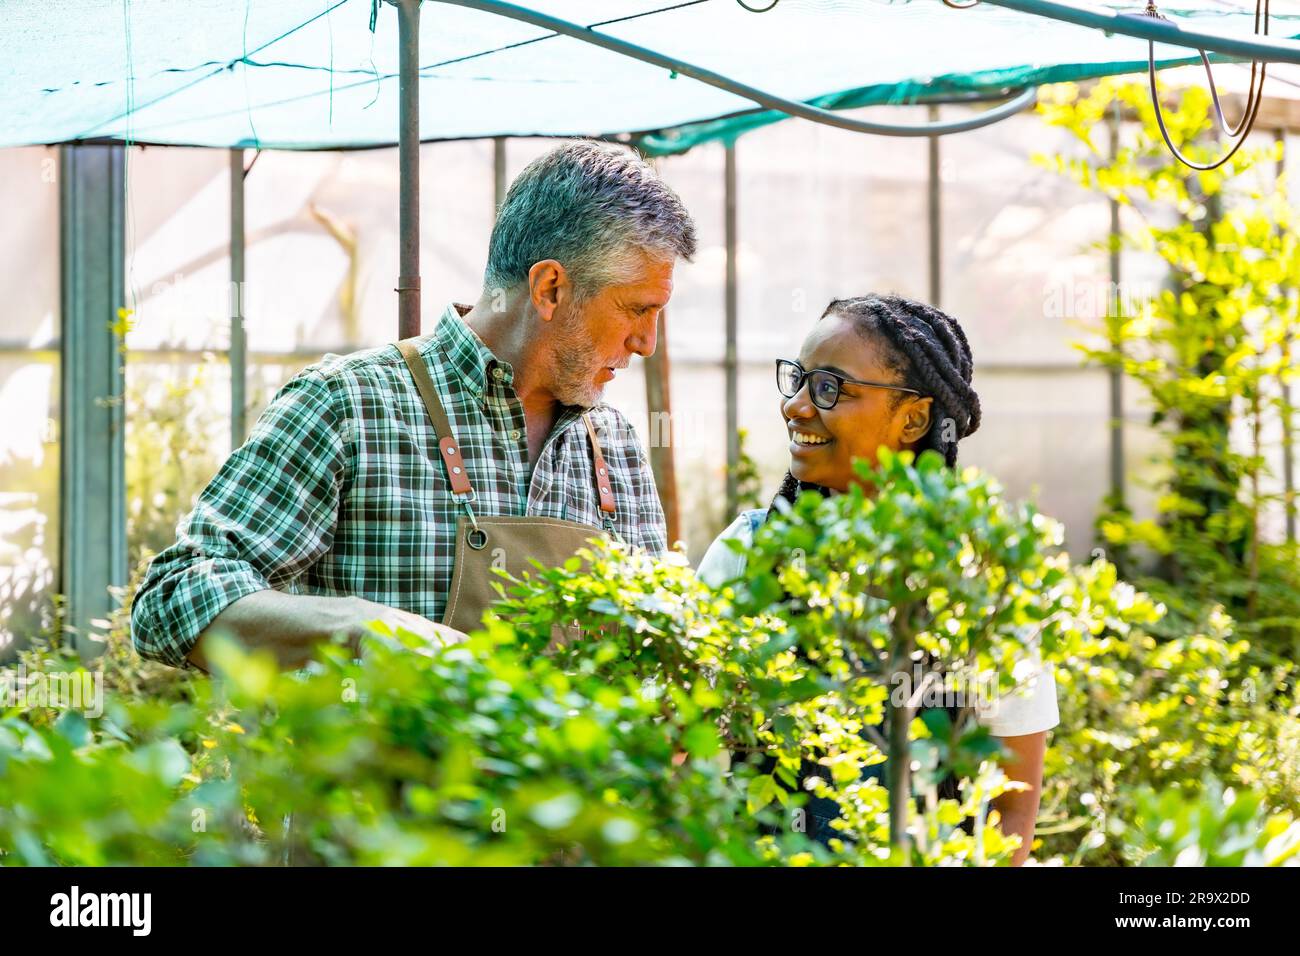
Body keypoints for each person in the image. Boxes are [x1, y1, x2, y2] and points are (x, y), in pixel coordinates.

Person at [132, 140, 696, 672]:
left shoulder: (614, 445)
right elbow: (171, 598)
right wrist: (357, 629)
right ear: (550, 288)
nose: (647, 342)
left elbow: (653, 651)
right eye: (637, 310)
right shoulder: (351, 406)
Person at [696, 293, 1058, 865]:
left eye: (830, 388)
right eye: (797, 380)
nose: (796, 406)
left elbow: (1012, 804)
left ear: (912, 418)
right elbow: (689, 757)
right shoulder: (748, 556)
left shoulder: (981, 583)